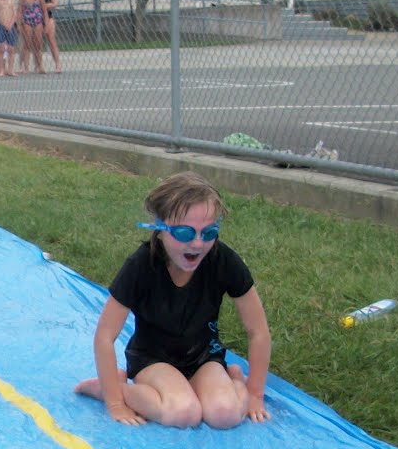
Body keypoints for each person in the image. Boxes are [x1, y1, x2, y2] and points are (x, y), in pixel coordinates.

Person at [76, 173, 271, 429]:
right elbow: (104, 336)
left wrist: (255, 395)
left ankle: (234, 380)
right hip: (153, 358)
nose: (198, 243)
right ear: (160, 228)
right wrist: (114, 402)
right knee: (183, 413)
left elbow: (258, 331)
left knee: (226, 414)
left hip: (203, 357)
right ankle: (109, 387)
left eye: (209, 232)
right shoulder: (141, 266)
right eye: (184, 232)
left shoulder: (222, 261)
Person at [18, 0, 47, 74]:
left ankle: (39, 66)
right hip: (27, 22)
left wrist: (45, 24)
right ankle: (26, 67)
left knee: (38, 44)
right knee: (27, 44)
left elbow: (44, 12)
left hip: (38, 22)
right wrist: (19, 24)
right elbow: (20, 11)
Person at [39, 0, 64, 72]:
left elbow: (54, 4)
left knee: (52, 40)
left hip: (49, 17)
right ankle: (39, 65)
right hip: (37, 18)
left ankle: (58, 64)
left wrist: (43, 5)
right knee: (38, 42)